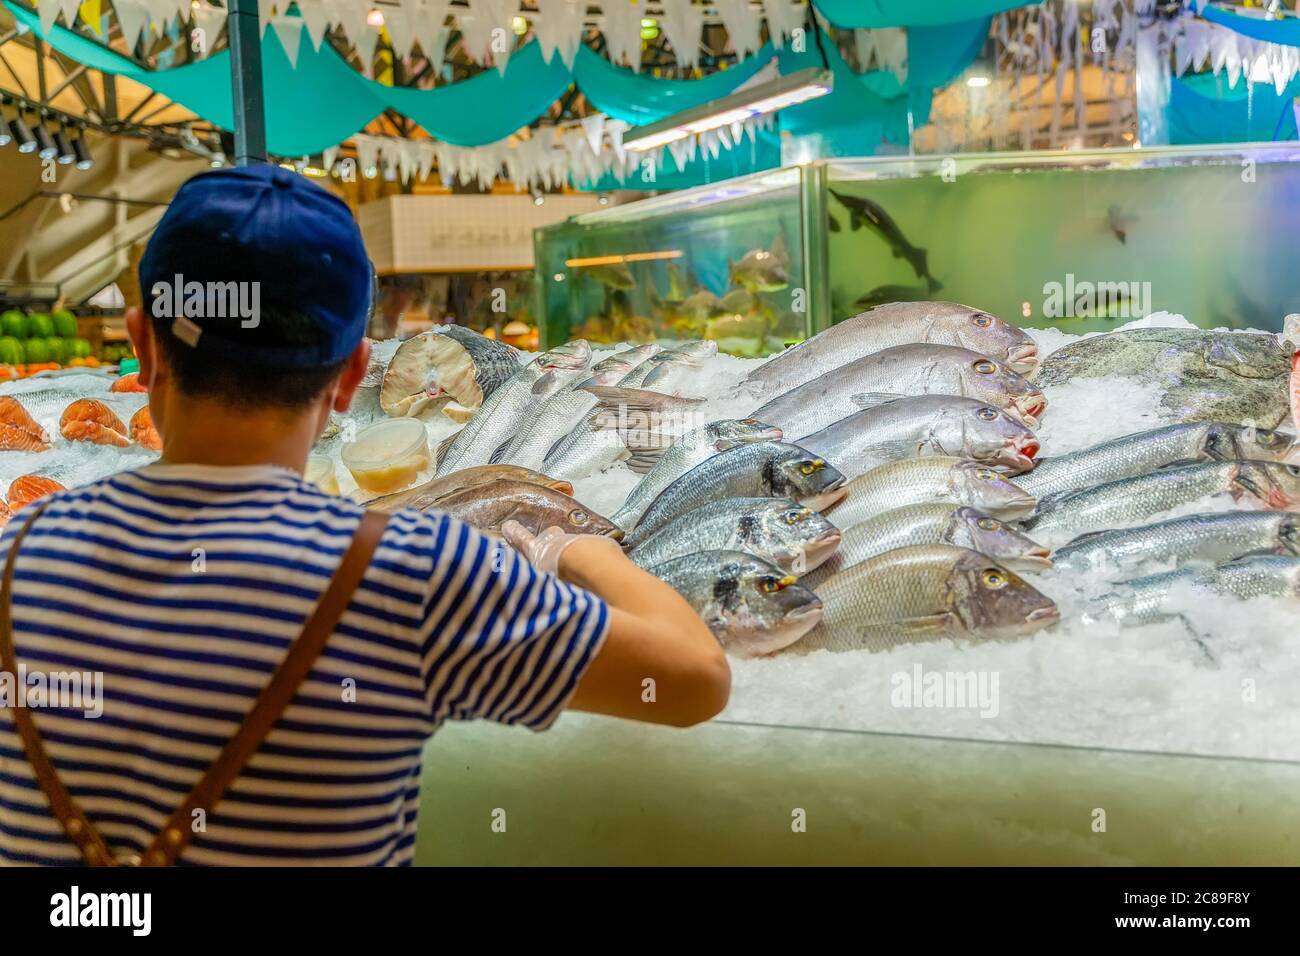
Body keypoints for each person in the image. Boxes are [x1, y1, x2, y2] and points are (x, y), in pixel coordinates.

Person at [0, 165, 729, 867]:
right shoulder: (410, 575)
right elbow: (695, 680)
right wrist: (581, 553)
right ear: (353, 375)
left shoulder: (14, 558)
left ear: (142, 348)